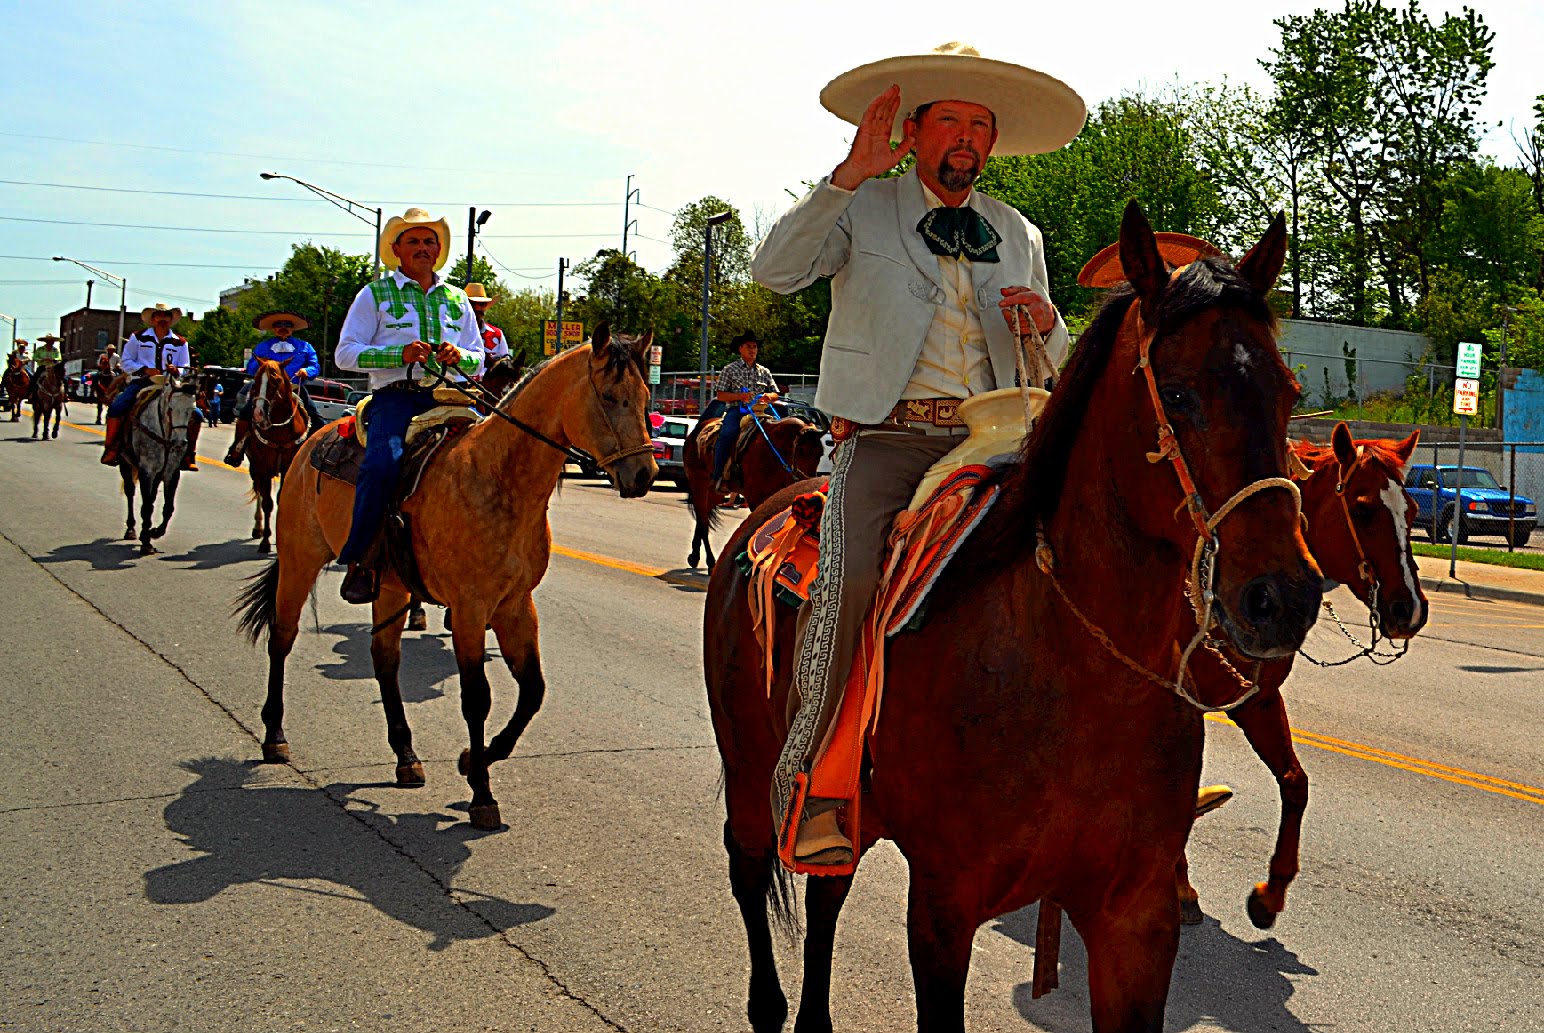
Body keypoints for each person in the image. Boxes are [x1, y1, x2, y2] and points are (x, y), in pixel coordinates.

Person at [751, 43, 1085, 868]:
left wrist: (1048, 325)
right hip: (888, 436)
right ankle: (813, 784)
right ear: (916, 132)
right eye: (950, 122)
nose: (966, 138)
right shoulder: (864, 207)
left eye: (980, 125)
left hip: (1003, 438)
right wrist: (848, 174)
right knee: (853, 576)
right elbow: (773, 271)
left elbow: (1060, 355)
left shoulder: (1019, 233)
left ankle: (1118, 768)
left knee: (1101, 557)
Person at [332, 207, 484, 604]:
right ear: (396, 249)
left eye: (429, 241)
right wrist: (399, 354)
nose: (422, 247)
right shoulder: (374, 294)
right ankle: (362, 557)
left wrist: (458, 357)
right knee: (383, 463)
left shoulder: (456, 298)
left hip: (450, 397)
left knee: (497, 458)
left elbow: (479, 358)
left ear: (438, 250)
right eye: (413, 241)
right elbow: (345, 355)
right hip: (396, 397)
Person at [101, 304, 203, 469]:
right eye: (159, 316)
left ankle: (188, 454)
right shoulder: (138, 337)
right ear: (153, 319)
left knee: (196, 414)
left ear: (171, 320)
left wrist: (177, 370)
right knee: (117, 407)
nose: (162, 319)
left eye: (166, 316)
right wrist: (144, 370)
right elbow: (126, 361)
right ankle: (111, 449)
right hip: (142, 381)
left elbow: (185, 366)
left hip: (170, 384)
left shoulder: (180, 342)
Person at [223, 311, 323, 466]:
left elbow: (314, 366)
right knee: (245, 414)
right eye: (279, 325)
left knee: (316, 419)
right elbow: (250, 368)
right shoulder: (263, 347)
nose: (283, 328)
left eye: (287, 325)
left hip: (294, 387)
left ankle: (319, 454)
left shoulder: (305, 346)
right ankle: (237, 448)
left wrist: (307, 371)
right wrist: (263, 366)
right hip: (266, 389)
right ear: (273, 328)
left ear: (293, 328)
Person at [710, 331, 781, 492]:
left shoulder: (764, 372)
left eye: (755, 347)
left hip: (761, 411)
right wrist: (739, 396)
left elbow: (776, 393)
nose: (752, 350)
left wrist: (769, 396)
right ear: (740, 349)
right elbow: (720, 395)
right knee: (727, 433)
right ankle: (718, 474)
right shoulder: (729, 370)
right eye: (749, 346)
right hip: (737, 410)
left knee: (782, 430)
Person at [464, 283, 509, 361]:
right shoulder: (454, 331)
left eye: (482, 303)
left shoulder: (497, 334)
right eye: (472, 303)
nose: (477, 307)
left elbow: (506, 364)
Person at [27, 334, 61, 404]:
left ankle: (63, 395)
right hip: (42, 367)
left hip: (53, 368)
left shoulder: (55, 350)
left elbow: (59, 358)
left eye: (52, 341)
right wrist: (42, 359)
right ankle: (31, 395)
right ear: (46, 342)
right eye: (49, 341)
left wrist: (53, 359)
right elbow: (35, 357)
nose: (51, 342)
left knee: (63, 380)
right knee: (33, 380)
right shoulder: (40, 349)